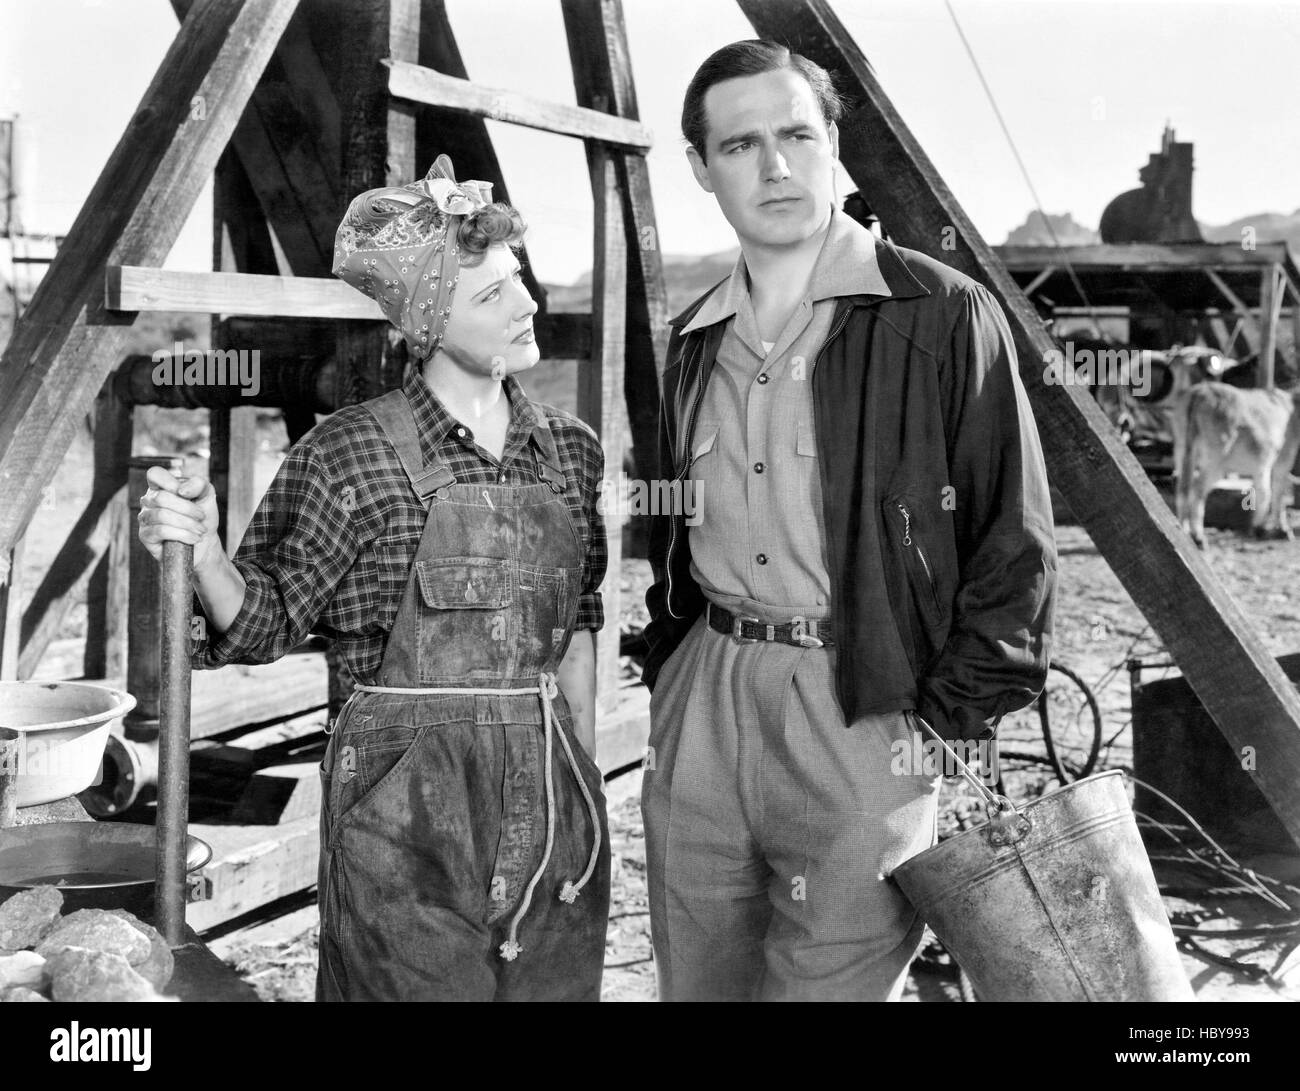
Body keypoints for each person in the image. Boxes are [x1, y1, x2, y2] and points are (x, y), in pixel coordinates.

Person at [138, 156, 611, 1001]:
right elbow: (265, 624)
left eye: (519, 278)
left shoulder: (571, 451)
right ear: (428, 322)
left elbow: (578, 626)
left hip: (552, 796)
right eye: (492, 294)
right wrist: (203, 549)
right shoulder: (346, 454)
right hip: (403, 816)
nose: (527, 303)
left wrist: (584, 784)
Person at [641, 40, 1057, 1001]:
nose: (774, 166)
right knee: (696, 985)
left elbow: (1016, 544)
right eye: (739, 145)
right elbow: (667, 528)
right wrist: (670, 667)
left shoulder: (943, 315)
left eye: (796, 134)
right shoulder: (692, 340)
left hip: (867, 702)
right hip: (706, 698)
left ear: (834, 142)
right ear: (701, 169)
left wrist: (938, 725)